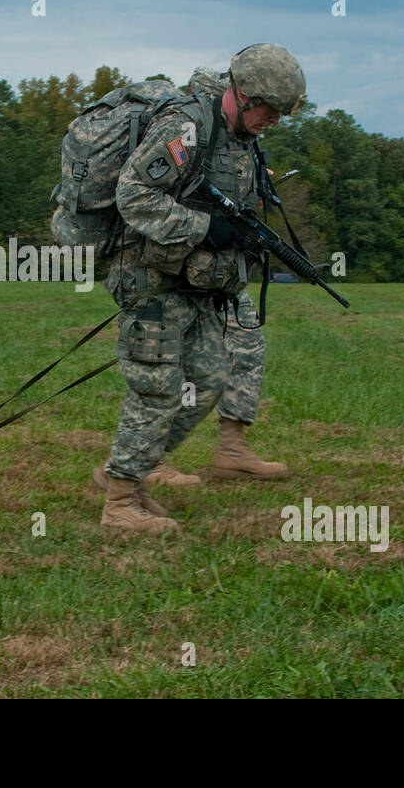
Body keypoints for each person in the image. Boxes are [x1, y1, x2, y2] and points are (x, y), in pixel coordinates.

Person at [98, 43, 306, 534]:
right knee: (157, 389)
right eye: (269, 110)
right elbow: (134, 193)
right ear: (245, 93)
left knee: (209, 380)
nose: (272, 120)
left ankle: (130, 472)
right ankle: (120, 500)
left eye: (280, 113)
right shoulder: (185, 128)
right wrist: (203, 228)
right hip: (152, 279)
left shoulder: (241, 141)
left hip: (198, 287)